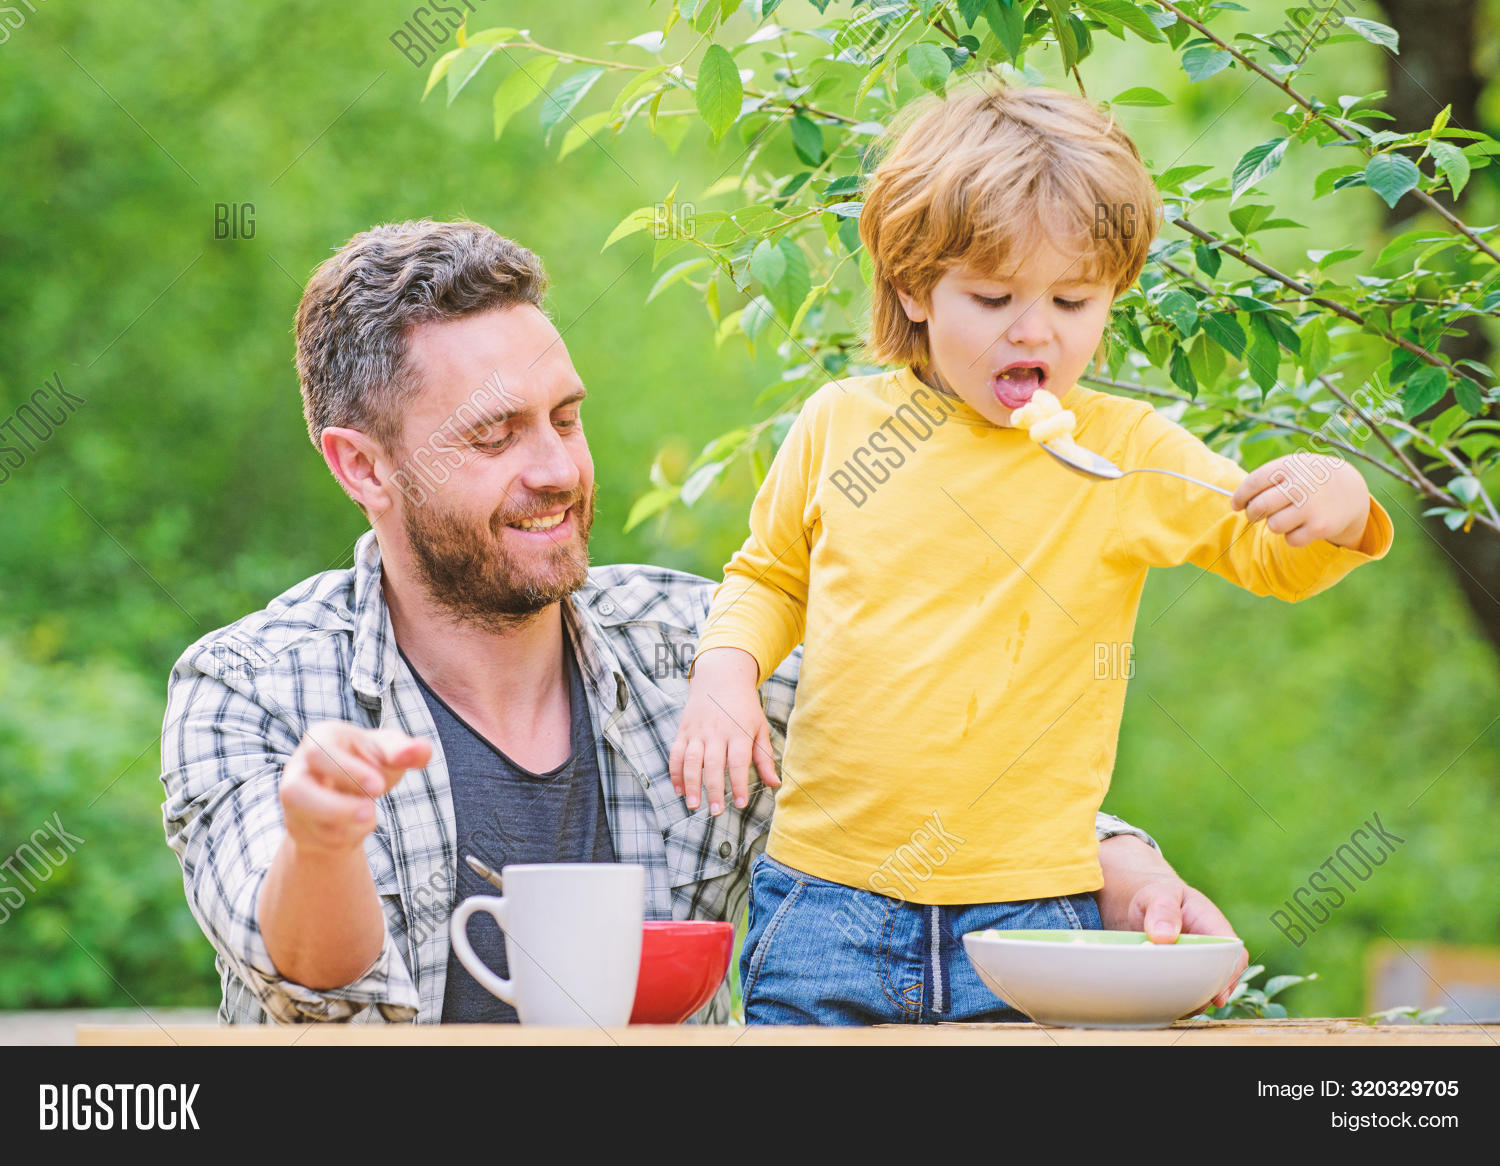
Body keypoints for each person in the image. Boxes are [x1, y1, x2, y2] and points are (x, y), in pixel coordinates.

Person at [160, 218, 1245, 1026]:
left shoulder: (691, 645)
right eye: (496, 437)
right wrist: (322, 833)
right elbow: (307, 976)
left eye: (566, 418)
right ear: (364, 465)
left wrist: (1130, 869)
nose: (556, 470)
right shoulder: (253, 683)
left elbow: (905, 758)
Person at [670, 85, 1394, 1025]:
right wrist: (724, 675)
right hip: (825, 901)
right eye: (993, 297)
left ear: (1112, 294)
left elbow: (1265, 546)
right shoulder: (840, 426)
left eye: (1072, 298)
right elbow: (770, 577)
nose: (1034, 329)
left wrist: (1336, 502)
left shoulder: (1125, 452)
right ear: (911, 288)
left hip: (1031, 914)